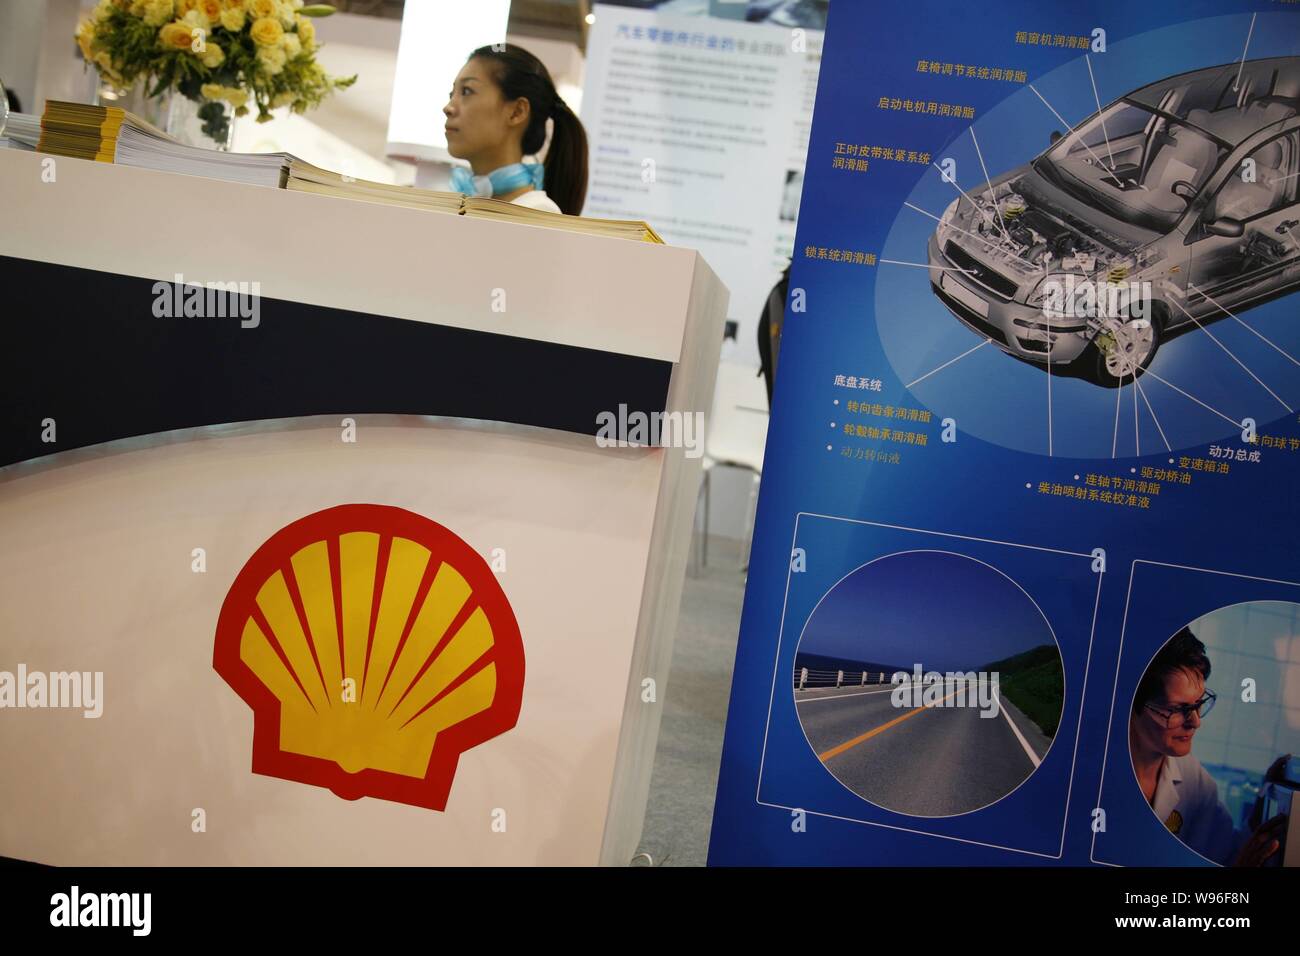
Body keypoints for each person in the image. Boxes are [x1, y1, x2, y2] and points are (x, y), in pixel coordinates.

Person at [1129, 627, 1290, 866]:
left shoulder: (1192, 779)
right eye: (1178, 709)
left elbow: (1227, 853)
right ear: (1133, 704)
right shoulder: (1093, 774)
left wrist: (1263, 802)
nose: (1196, 722)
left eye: (1199, 704)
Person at [442, 44, 588, 216]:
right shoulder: (458, 203)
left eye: (467, 91)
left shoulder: (537, 215)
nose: (448, 108)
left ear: (517, 112)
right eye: (452, 94)